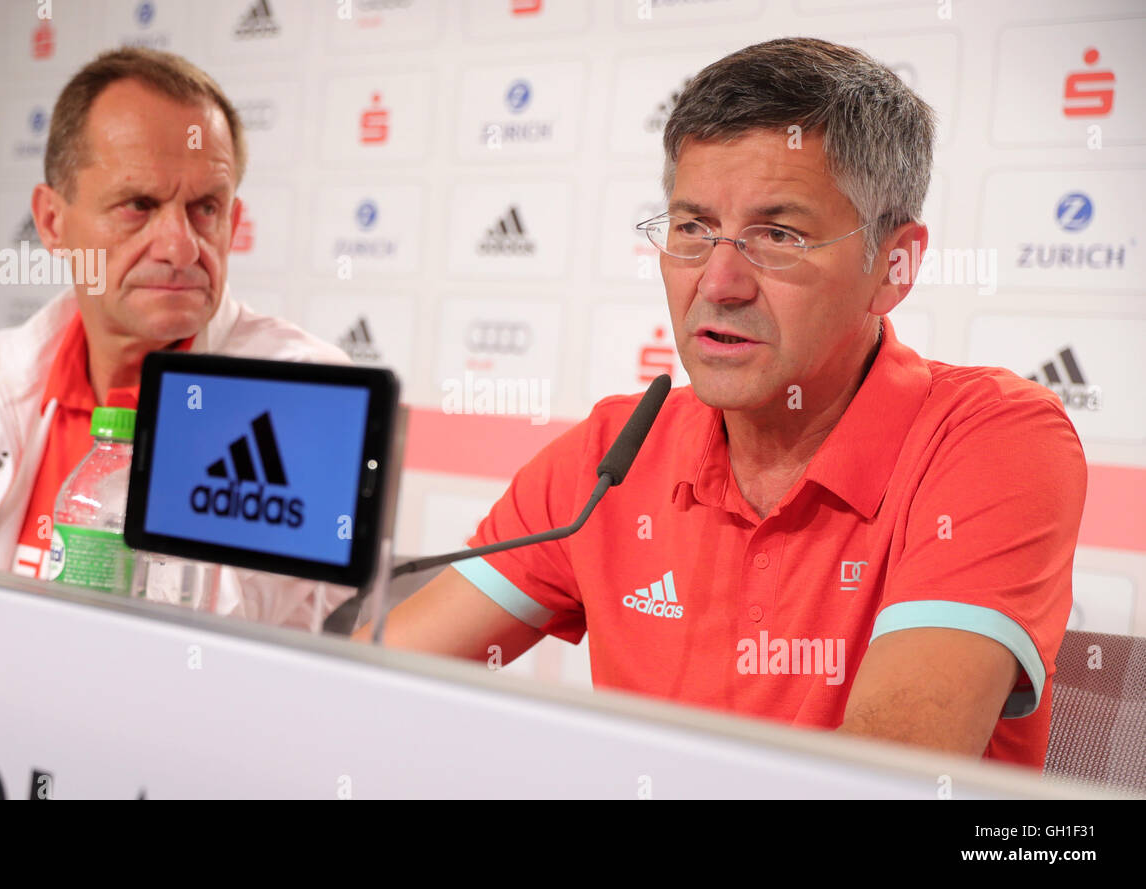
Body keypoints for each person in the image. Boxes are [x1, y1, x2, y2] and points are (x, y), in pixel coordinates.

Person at [361, 37, 1088, 767]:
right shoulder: (614, 454)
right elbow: (370, 680)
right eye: (693, 228)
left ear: (893, 266)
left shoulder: (993, 438)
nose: (718, 281)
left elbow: (881, 779)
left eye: (778, 234)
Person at [0, 48, 353, 630]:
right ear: (53, 223)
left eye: (205, 209)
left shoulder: (303, 394)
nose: (181, 247)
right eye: (139, 205)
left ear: (232, 223)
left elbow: (266, 647)